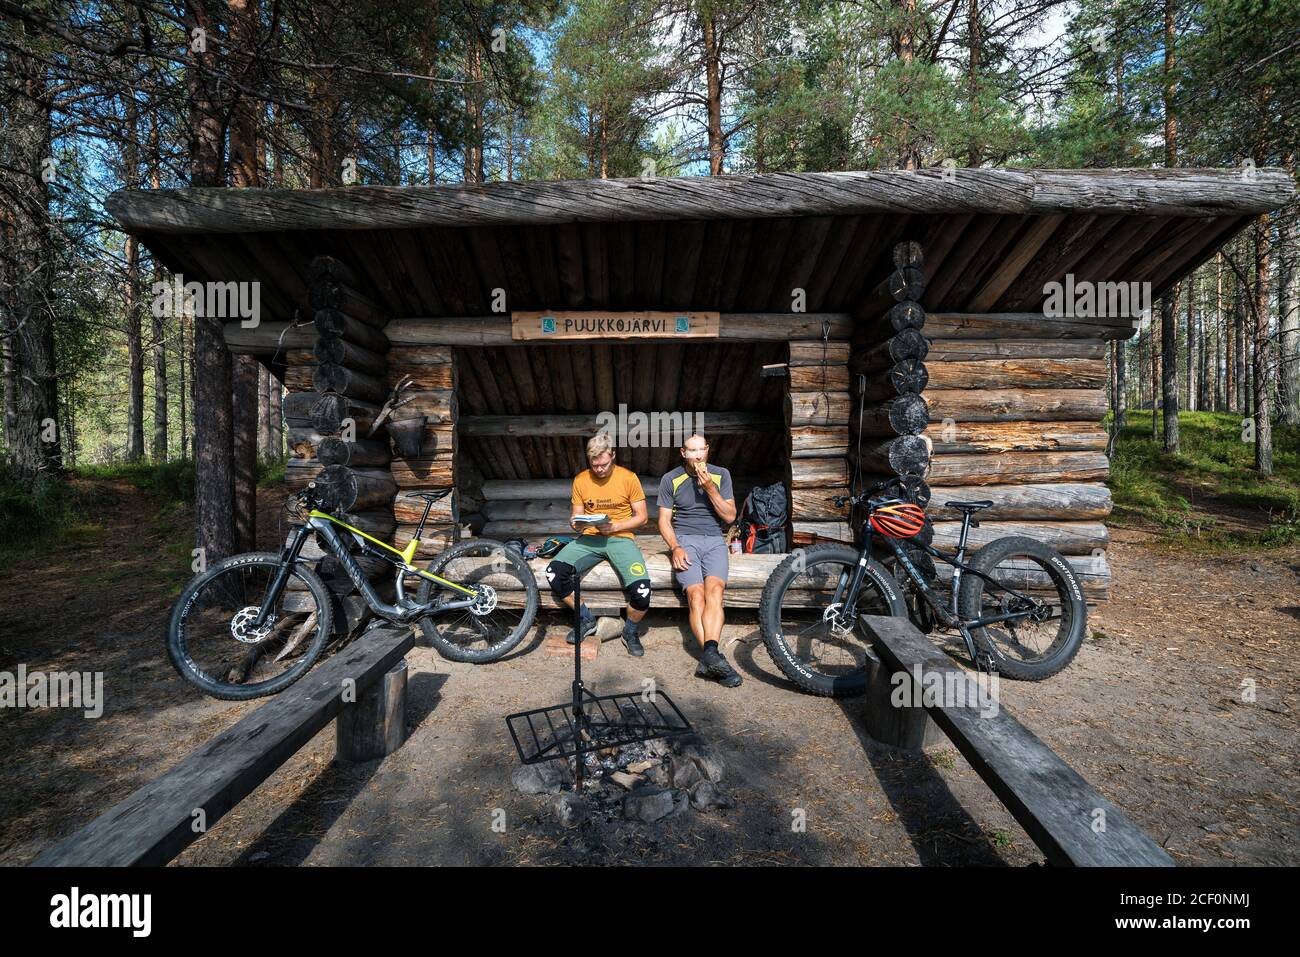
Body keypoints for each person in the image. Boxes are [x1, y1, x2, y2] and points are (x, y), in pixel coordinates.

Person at [544, 433, 651, 655]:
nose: (599, 469)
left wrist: (615, 526)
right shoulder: (582, 479)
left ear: (613, 455)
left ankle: (630, 631)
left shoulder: (628, 478)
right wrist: (576, 524)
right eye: (595, 465)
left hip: (621, 538)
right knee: (554, 572)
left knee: (642, 591)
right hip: (590, 539)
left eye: (604, 464)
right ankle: (586, 620)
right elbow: (577, 516)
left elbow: (642, 518)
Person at [656, 433, 742, 687]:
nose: (698, 456)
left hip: (715, 539)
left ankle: (710, 655)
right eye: (692, 451)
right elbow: (663, 521)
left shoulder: (720, 475)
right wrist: (675, 547)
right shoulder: (670, 479)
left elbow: (729, 517)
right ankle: (715, 660)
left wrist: (710, 489)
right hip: (686, 539)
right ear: (684, 453)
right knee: (696, 595)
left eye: (701, 450)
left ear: (707, 451)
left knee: (715, 590)